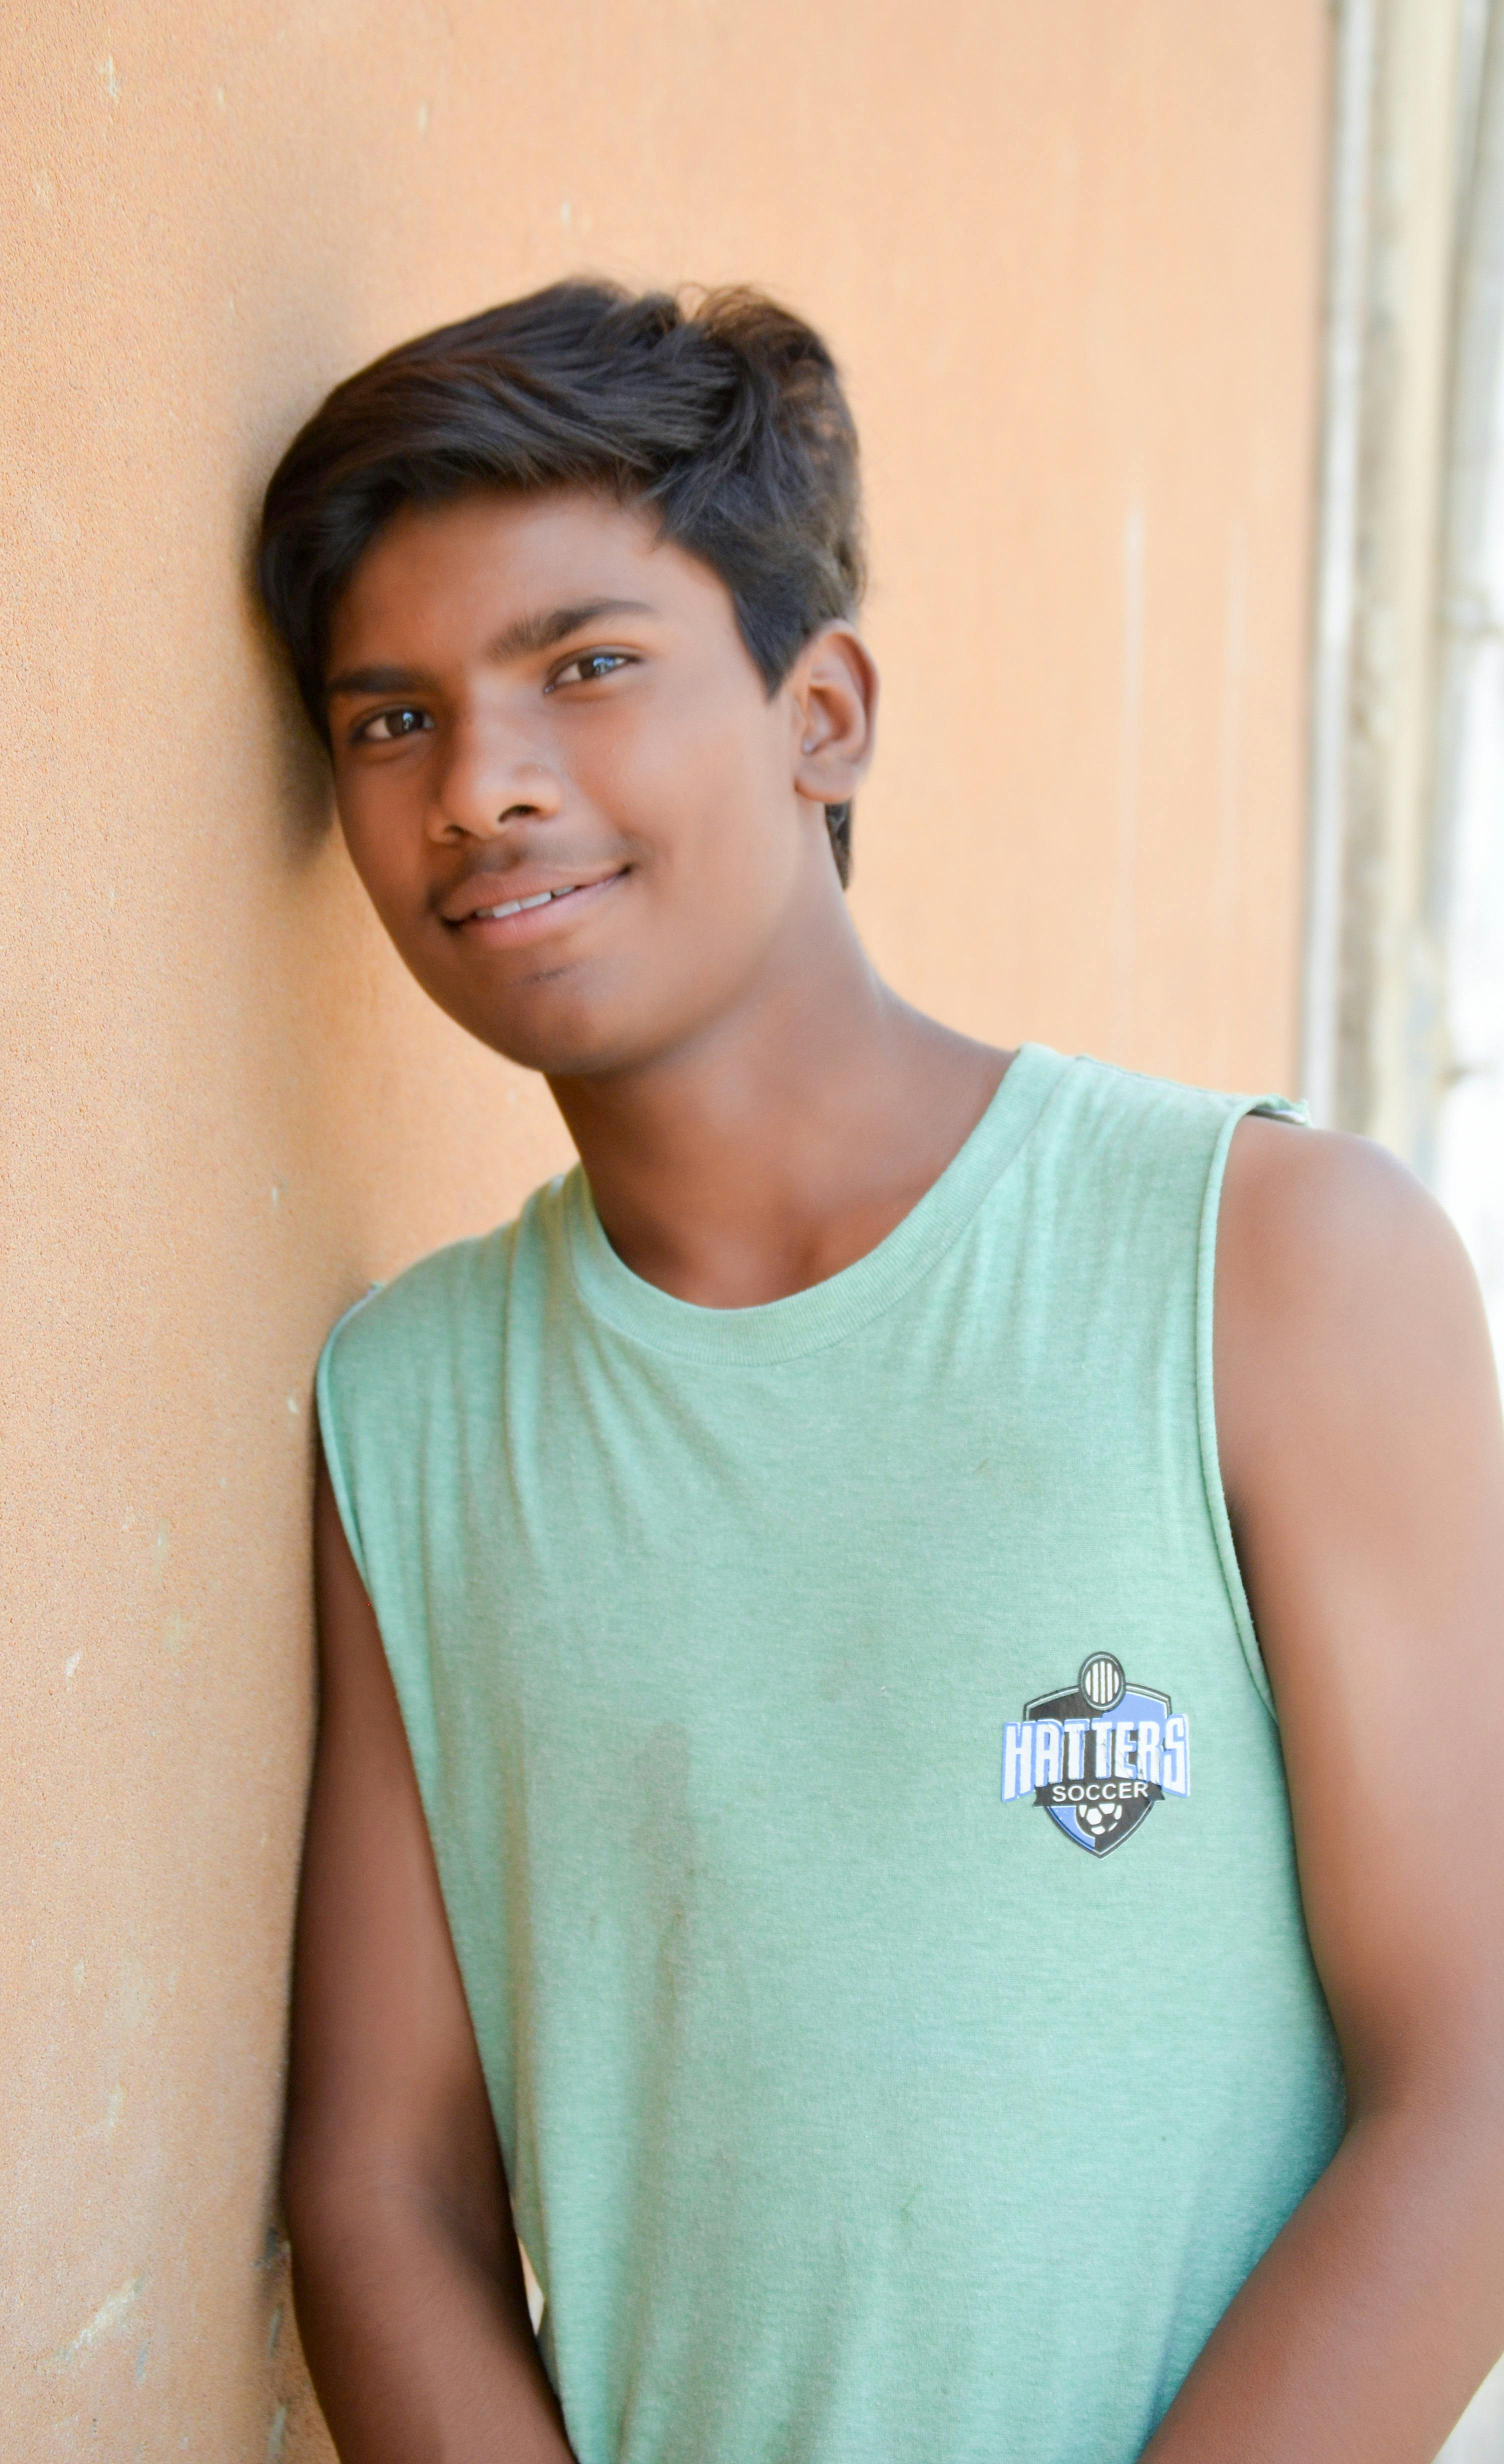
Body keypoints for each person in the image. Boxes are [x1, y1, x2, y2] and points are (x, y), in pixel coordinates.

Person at [257, 280, 1504, 2464]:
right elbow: (383, 2189)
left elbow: (1479, 2084)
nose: (483, 787)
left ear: (821, 712)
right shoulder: (412, 1409)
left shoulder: (1271, 1260)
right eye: (390, 719)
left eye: (586, 666)